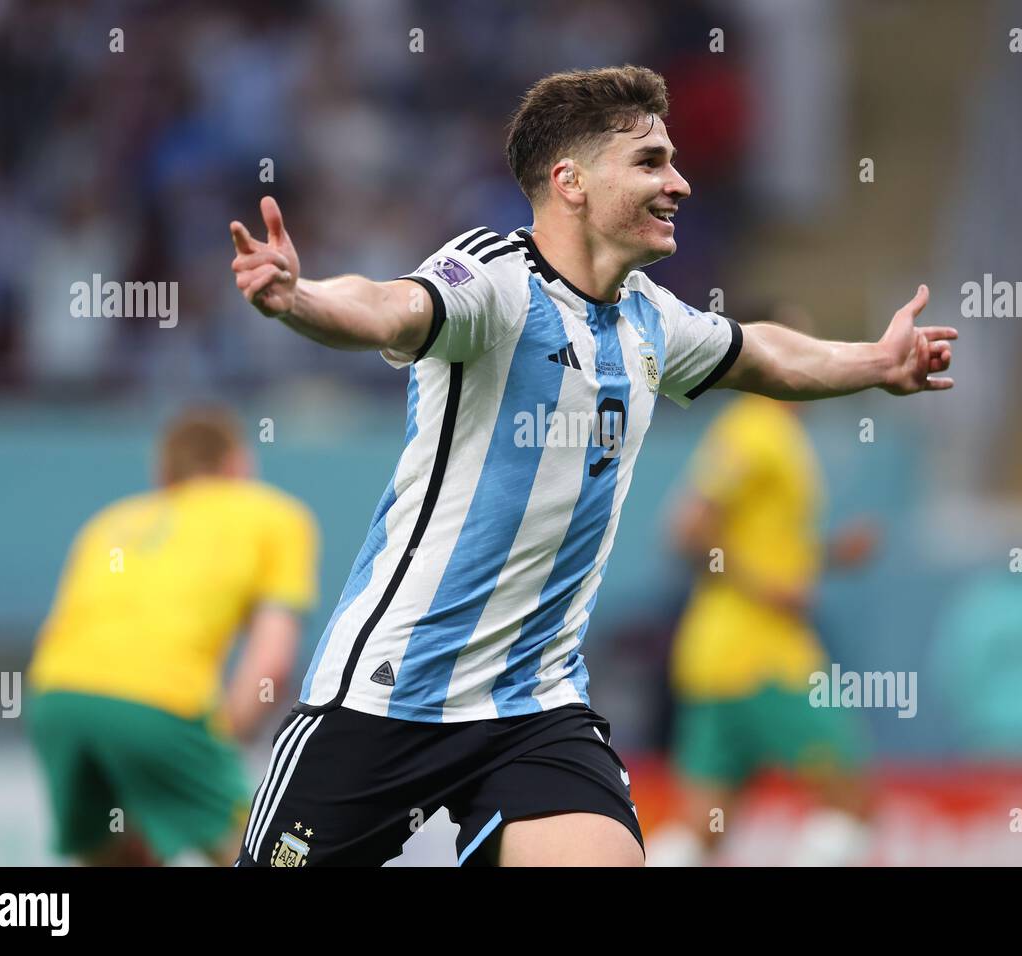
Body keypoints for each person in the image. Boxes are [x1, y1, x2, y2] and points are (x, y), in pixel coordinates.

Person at [228, 64, 955, 867]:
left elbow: (764, 354)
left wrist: (877, 363)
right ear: (569, 181)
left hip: (534, 707)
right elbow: (388, 305)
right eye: (650, 163)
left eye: (674, 161)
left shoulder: (651, 318)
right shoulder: (495, 281)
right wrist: (300, 299)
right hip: (391, 693)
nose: (678, 182)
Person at [27, 406, 318, 865]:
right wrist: (210, 748)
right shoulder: (274, 516)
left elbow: (53, 635)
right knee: (259, 852)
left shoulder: (109, 523)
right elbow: (272, 664)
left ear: (164, 473)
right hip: (159, 703)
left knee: (117, 857)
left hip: (56, 700)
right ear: (239, 464)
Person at [650, 344, 880, 867]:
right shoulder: (756, 426)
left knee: (704, 825)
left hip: (712, 657)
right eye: (798, 343)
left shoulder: (773, 433)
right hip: (764, 655)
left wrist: (826, 555)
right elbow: (687, 528)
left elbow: (759, 545)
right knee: (851, 803)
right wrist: (766, 588)